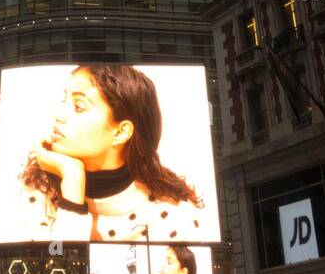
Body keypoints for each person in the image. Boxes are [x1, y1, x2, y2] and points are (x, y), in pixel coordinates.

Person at [19, 64, 206, 242]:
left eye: (79, 106)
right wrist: (72, 185)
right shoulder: (41, 187)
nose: (58, 115)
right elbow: (55, 270)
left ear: (120, 132)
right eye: (64, 100)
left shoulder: (174, 216)